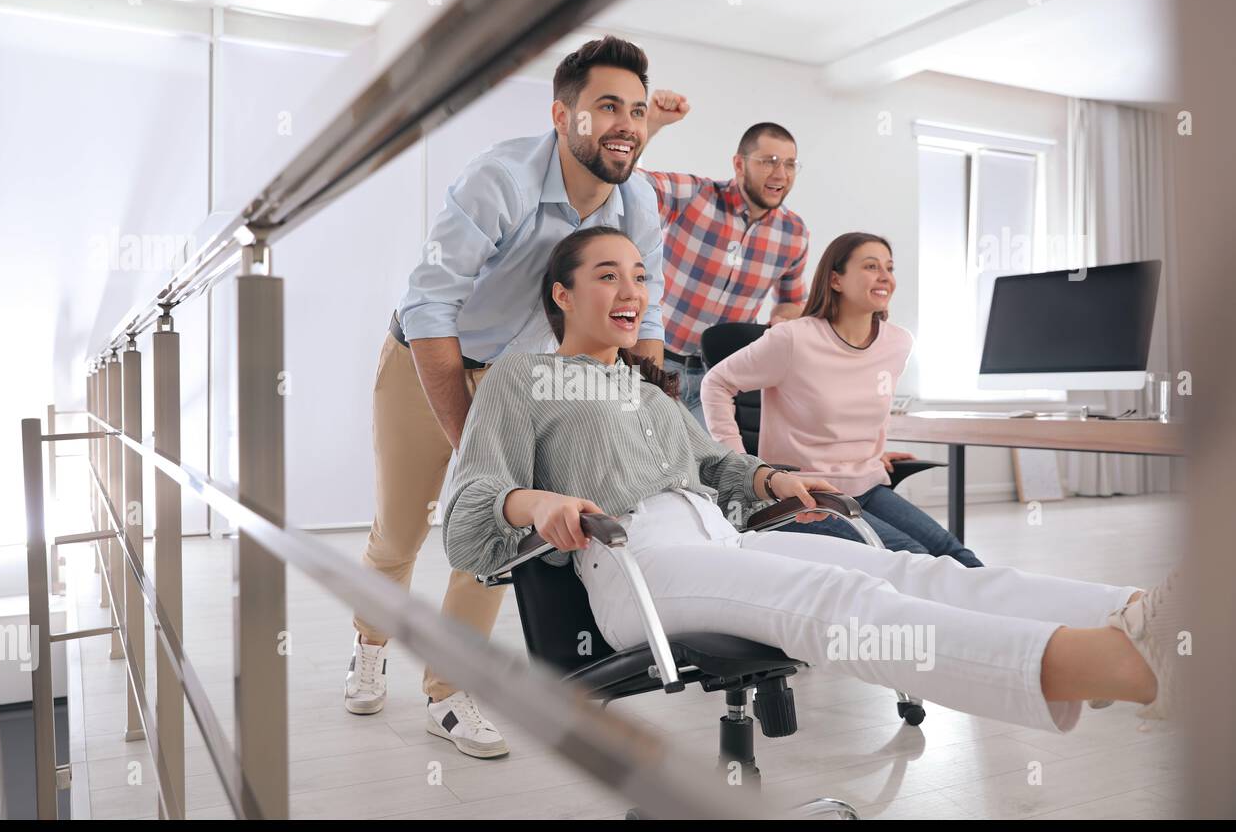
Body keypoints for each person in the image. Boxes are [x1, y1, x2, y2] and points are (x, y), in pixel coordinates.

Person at [442, 226, 1182, 737]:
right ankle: (1116, 667)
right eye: (607, 276)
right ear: (562, 296)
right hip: (634, 564)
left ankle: (1148, 616)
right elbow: (467, 515)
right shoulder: (522, 379)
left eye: (639, 274)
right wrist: (534, 500)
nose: (632, 290)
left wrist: (766, 478)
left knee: (912, 570)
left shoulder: (645, 388)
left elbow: (713, 468)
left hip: (717, 541)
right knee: (838, 599)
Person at [347, 36, 667, 759]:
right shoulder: (499, 181)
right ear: (563, 115)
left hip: (521, 375)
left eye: (638, 111)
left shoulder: (636, 199)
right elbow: (430, 308)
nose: (626, 123)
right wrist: (469, 444)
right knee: (401, 530)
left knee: (492, 538)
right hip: (427, 357)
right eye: (607, 106)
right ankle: (370, 645)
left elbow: (644, 316)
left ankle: (448, 694)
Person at [701, 231, 983, 566]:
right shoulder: (793, 339)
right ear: (836, 279)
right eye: (870, 266)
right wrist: (745, 468)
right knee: (918, 561)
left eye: (889, 268)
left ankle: (1019, 618)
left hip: (869, 484)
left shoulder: (897, 343)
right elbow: (716, 383)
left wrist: (872, 454)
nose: (885, 277)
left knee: (957, 555)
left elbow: (865, 407)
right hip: (806, 493)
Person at [636, 94, 811, 425]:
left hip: (721, 377)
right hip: (656, 364)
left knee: (706, 473)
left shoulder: (795, 233)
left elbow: (790, 302)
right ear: (740, 164)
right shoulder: (694, 196)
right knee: (642, 467)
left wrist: (783, 322)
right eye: (769, 160)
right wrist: (653, 122)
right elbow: (628, 180)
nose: (780, 173)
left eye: (790, 164)